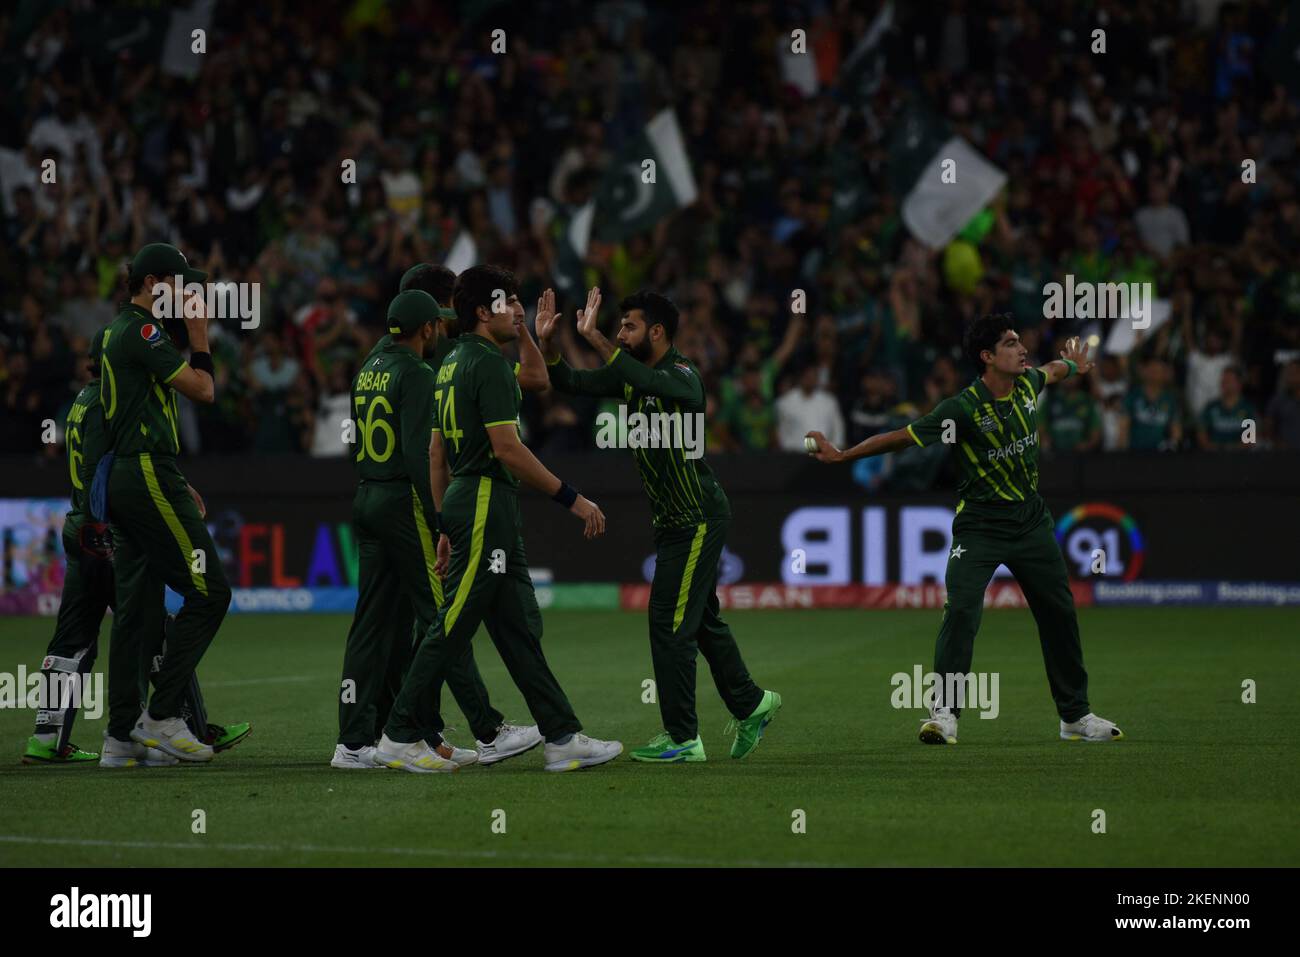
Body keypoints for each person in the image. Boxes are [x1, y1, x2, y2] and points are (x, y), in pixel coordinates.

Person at [806, 314, 1124, 744]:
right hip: (979, 527)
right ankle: (944, 714)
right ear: (987, 357)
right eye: (1011, 343)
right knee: (960, 612)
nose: (1022, 348)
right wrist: (844, 455)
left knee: (1059, 615)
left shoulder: (1028, 384)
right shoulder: (962, 409)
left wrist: (1074, 365)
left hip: (1031, 523)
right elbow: (903, 436)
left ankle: (1074, 716)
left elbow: (1053, 370)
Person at [374, 266, 621, 773]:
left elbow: (436, 453)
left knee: (515, 630)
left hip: (469, 502)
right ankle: (398, 734)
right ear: (483, 311)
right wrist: (572, 498)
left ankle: (562, 737)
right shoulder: (485, 364)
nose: (518, 309)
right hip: (487, 499)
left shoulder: (451, 364)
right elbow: (508, 449)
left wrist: (444, 525)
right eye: (509, 302)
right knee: (453, 622)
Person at [541, 287, 779, 763]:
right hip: (673, 521)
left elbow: (643, 380)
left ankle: (683, 737)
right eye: (618, 327)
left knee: (669, 623)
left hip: (696, 518)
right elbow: (571, 383)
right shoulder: (632, 377)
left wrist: (595, 339)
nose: (620, 334)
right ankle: (753, 703)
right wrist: (548, 343)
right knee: (702, 621)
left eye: (627, 326)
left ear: (657, 332)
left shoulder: (683, 376)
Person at [332, 283, 540, 770]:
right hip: (403, 502)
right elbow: (420, 454)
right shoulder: (418, 373)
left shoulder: (367, 370)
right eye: (436, 325)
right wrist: (439, 521)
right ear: (426, 329)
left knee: (369, 624)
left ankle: (353, 742)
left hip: (367, 494)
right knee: (443, 617)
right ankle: (489, 730)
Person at [23, 327, 249, 767]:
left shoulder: (78, 406)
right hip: (102, 530)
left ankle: (46, 737)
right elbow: (104, 467)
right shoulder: (111, 407)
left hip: (77, 530)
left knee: (71, 639)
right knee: (152, 627)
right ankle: (185, 729)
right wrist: (106, 526)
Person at [97, 243, 231, 763]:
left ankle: (120, 735)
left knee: (136, 609)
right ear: (155, 282)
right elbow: (203, 390)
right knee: (210, 592)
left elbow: (130, 409)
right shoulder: (145, 330)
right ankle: (163, 715)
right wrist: (199, 339)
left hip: (132, 473)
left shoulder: (112, 331)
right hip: (146, 471)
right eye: (181, 285)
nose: (187, 295)